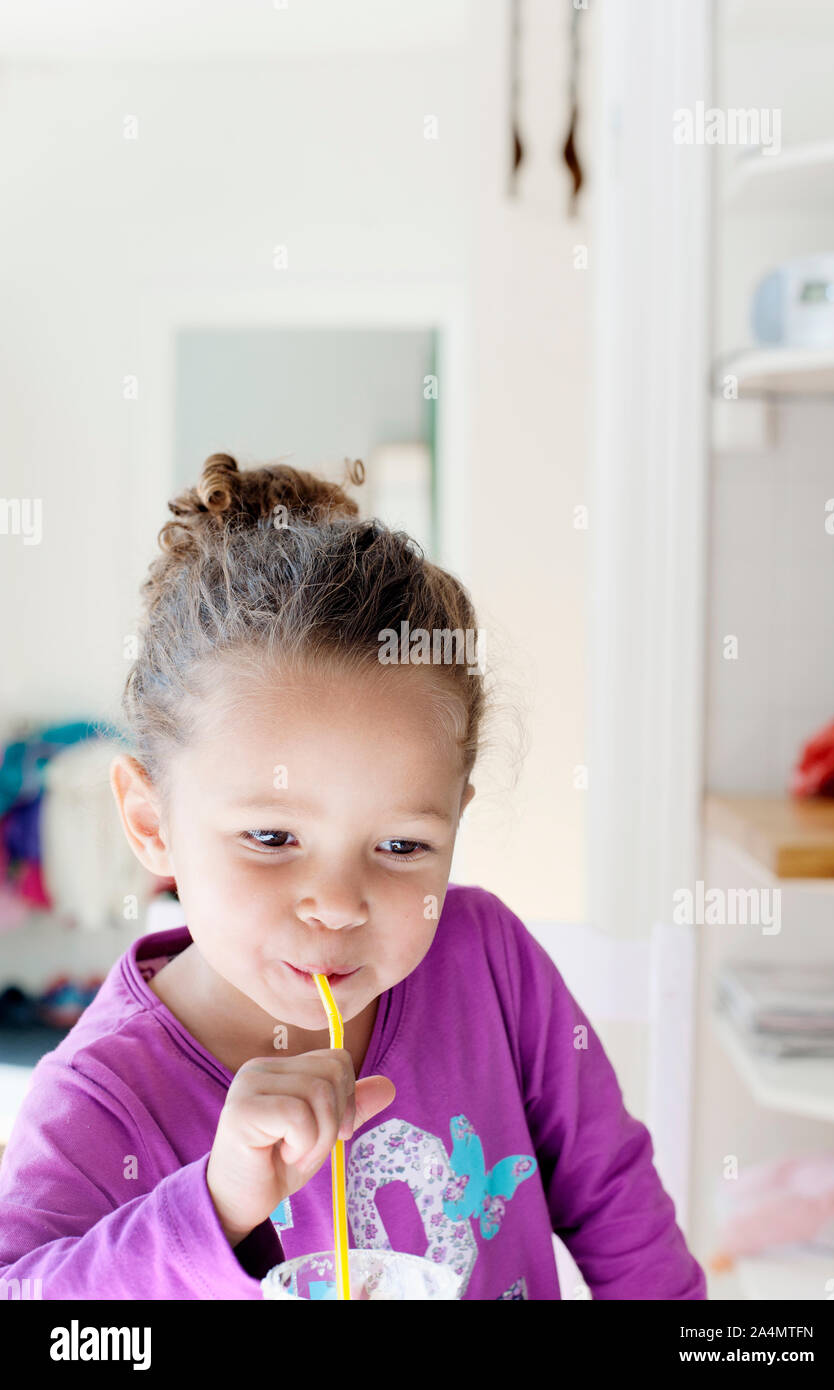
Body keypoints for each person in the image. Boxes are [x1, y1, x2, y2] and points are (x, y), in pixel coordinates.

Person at [0, 453, 706, 1300]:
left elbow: (619, 1207)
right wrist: (214, 1208)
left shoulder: (490, 965)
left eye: (403, 847)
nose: (337, 905)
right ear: (153, 823)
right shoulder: (103, 1099)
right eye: (271, 835)